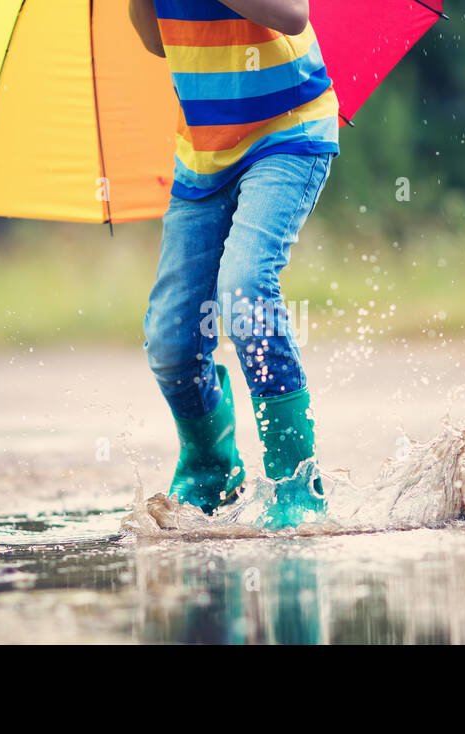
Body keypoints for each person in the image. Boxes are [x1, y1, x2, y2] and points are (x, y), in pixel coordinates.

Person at [129, 0, 338, 528]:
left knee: (244, 291)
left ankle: (296, 482)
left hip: (286, 134)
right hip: (203, 153)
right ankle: (211, 467)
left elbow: (292, 14)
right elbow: (157, 40)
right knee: (172, 340)